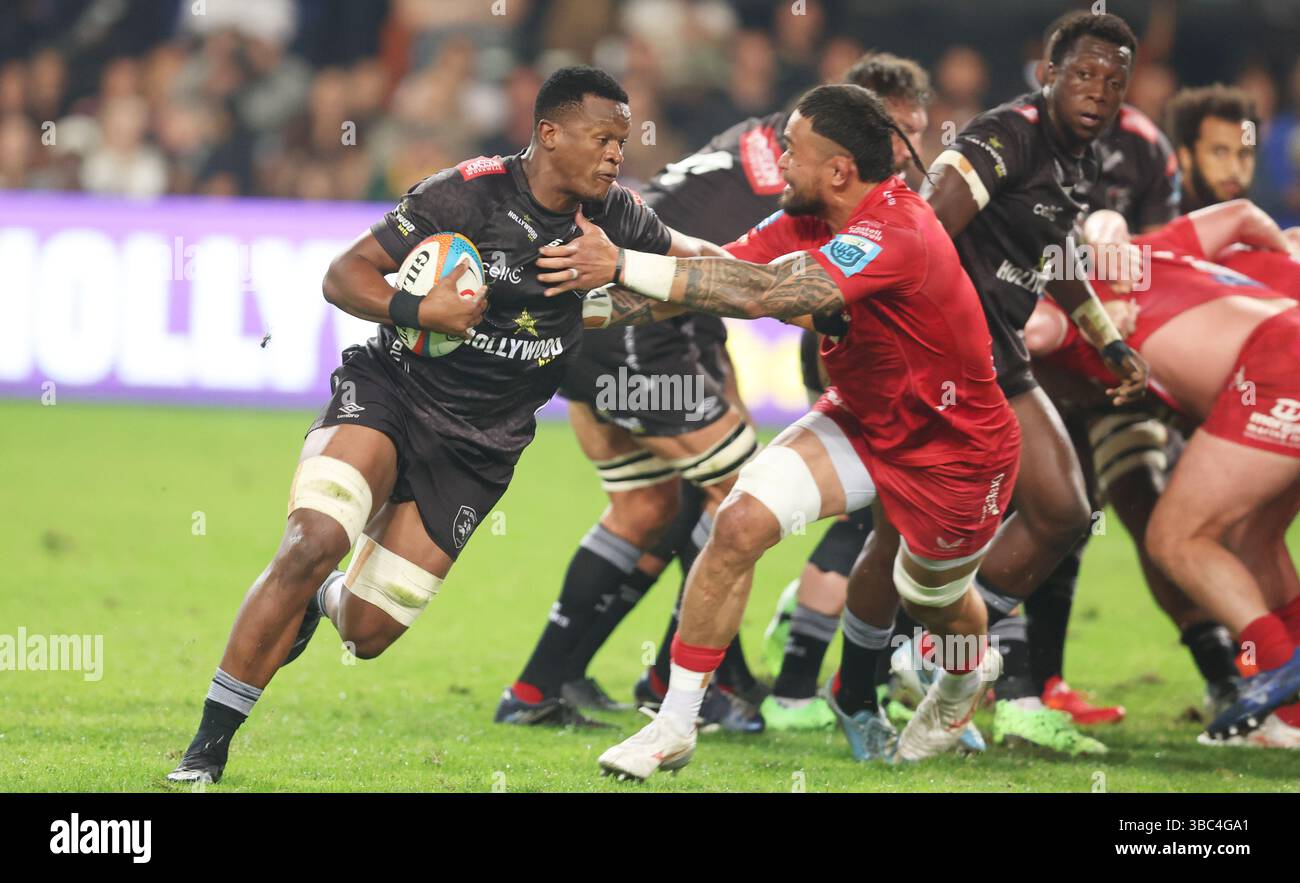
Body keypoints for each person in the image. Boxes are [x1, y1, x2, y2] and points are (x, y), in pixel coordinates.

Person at [165, 66, 716, 782]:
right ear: (549, 133)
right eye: (604, 138)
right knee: (313, 539)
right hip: (392, 392)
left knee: (366, 633)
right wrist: (421, 311)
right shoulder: (468, 192)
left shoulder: (614, 218)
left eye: (623, 140)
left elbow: (698, 267)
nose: (618, 153)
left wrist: (657, 279)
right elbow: (344, 274)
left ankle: (319, 602)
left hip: (480, 447)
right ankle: (205, 751)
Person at [536, 83, 1023, 778]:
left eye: (791, 149)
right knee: (738, 523)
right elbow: (711, 279)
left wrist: (617, 260)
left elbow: (769, 295)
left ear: (838, 170)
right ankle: (674, 724)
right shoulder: (804, 216)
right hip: (858, 422)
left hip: (957, 452)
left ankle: (959, 682)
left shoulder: (900, 228)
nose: (776, 158)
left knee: (935, 603)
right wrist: (552, 309)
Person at [902, 11, 1149, 754]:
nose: (1097, 91)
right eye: (1082, 73)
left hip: (1000, 352)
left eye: (1112, 81)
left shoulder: (1078, 158)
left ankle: (932, 647)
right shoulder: (1005, 134)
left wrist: (1106, 340)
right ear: (1048, 75)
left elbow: (1061, 252)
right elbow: (925, 229)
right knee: (914, 518)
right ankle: (880, 654)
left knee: (1065, 509)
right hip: (948, 350)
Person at [1027, 198, 1300, 746]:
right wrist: (1283, 259)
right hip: (1275, 354)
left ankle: (1280, 669)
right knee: (1252, 538)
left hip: (1275, 368)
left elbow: (1028, 334)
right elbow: (1245, 212)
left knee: (1175, 539)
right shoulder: (1153, 250)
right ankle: (1290, 719)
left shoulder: (1064, 300)